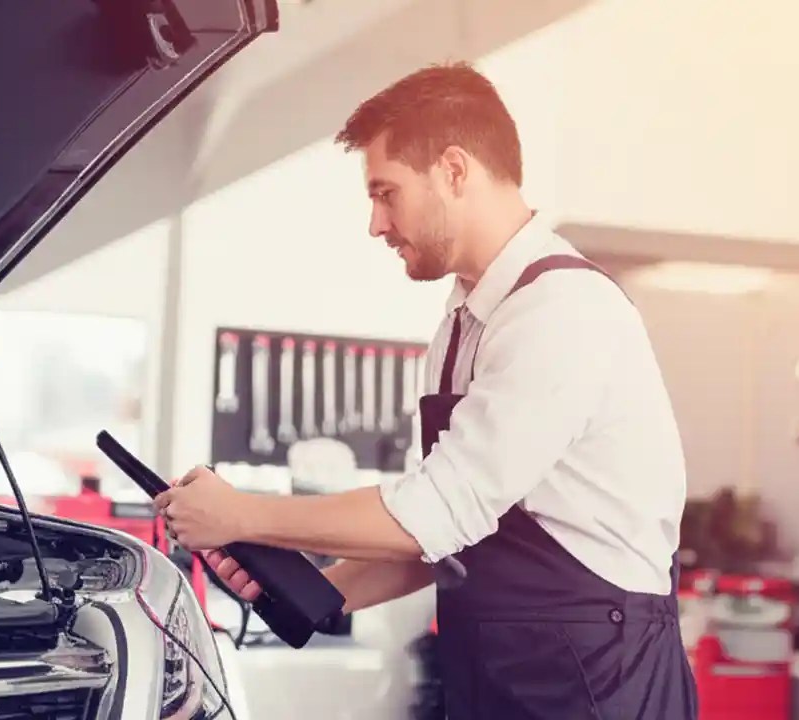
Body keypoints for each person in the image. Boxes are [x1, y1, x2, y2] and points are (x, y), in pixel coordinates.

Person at [154, 61, 699, 719]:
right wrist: (312, 594)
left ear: (454, 171)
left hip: (599, 682)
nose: (376, 224)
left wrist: (245, 515)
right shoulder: (463, 323)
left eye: (386, 193)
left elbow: (433, 513)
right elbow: (448, 539)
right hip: (504, 677)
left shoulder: (562, 310)